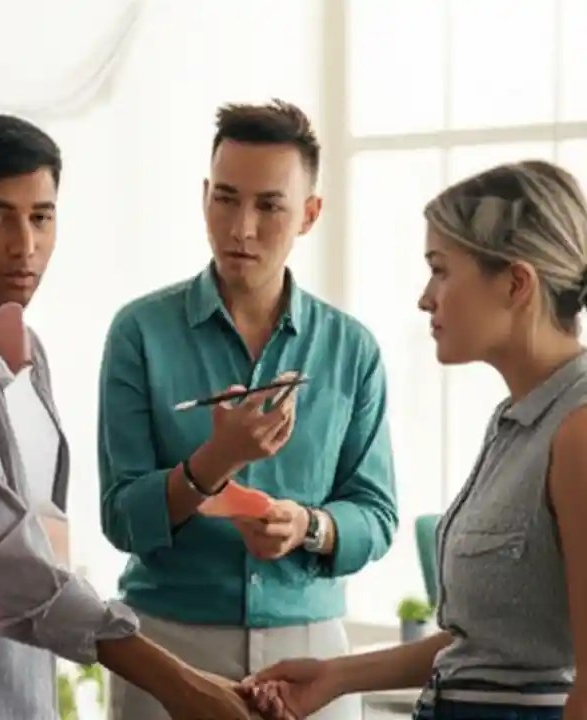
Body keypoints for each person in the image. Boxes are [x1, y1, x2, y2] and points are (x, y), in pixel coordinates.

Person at [0, 114, 253, 720]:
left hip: (21, 684)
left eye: (41, 218)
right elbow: (1, 558)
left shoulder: (24, 345)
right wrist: (176, 682)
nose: (25, 245)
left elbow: (41, 533)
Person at [245, 159, 587, 720]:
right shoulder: (515, 421)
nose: (426, 298)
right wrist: (335, 676)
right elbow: (484, 644)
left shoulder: (578, 430)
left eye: (440, 271)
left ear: (516, 283)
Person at [97, 99, 398, 720]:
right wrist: (216, 460)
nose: (241, 228)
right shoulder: (140, 333)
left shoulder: (351, 349)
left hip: (310, 649)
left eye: (269, 206)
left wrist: (309, 526)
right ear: (204, 196)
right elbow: (122, 517)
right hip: (168, 644)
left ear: (309, 214)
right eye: (226, 199)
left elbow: (376, 513)